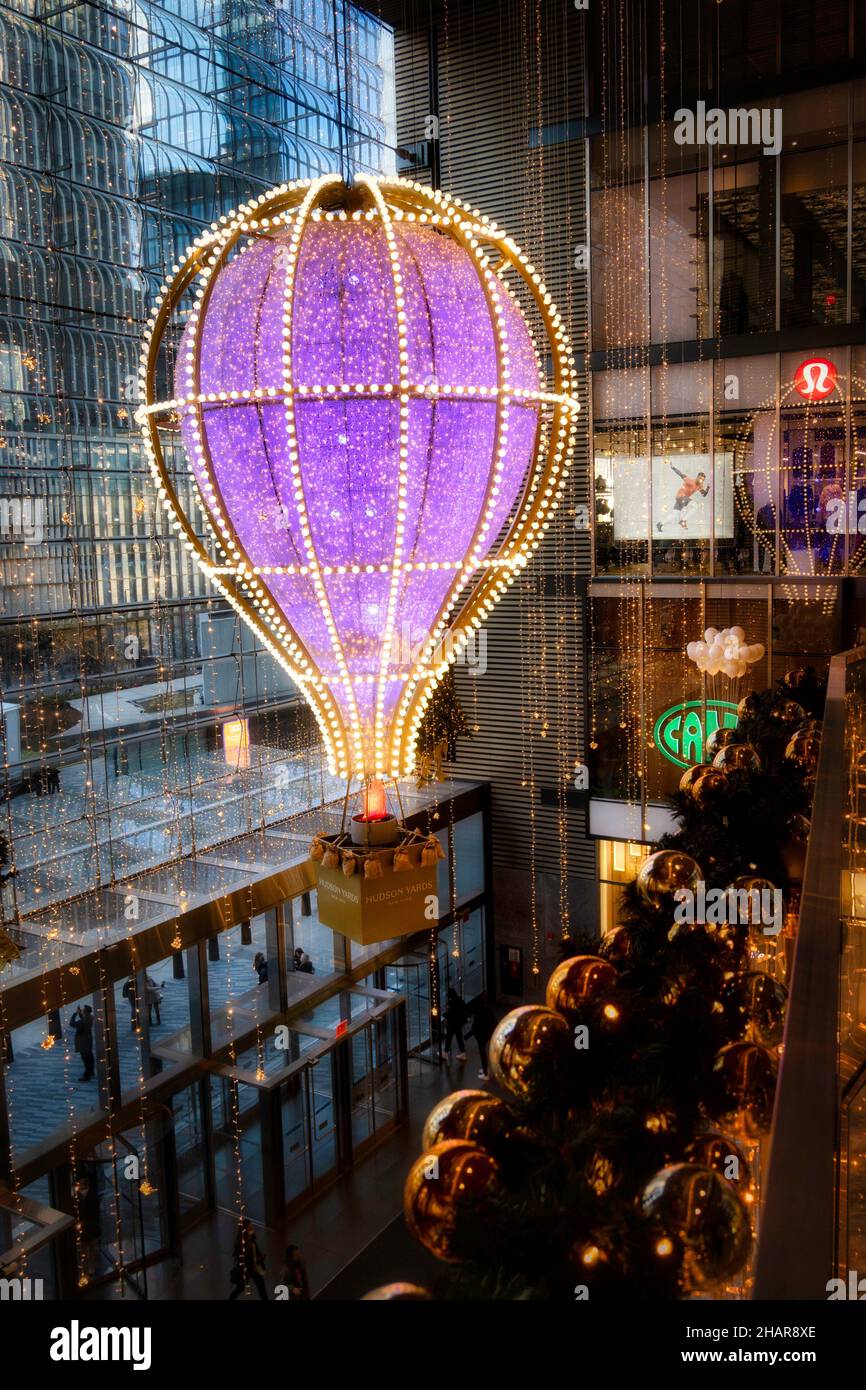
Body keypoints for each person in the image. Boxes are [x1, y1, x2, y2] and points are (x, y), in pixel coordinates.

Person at [656, 461, 709, 533]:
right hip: (681, 496)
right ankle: (683, 521)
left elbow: (704, 495)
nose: (701, 480)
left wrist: (708, 488)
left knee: (674, 514)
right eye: (700, 478)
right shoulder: (690, 481)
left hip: (681, 499)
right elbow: (680, 474)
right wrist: (673, 467)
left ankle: (660, 524)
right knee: (695, 505)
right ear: (697, 477)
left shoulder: (700, 485)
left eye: (702, 479)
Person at [228, 1218, 268, 1300]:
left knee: (261, 1288)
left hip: (255, 1268)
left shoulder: (252, 1239)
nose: (252, 1230)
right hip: (246, 1271)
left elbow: (256, 1252)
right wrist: (258, 1259)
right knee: (240, 1288)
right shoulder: (241, 1244)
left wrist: (259, 1258)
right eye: (249, 1228)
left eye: (252, 1228)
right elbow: (243, 1259)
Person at [466, 994, 496, 1081]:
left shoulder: (478, 1013)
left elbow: (474, 1028)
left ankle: (486, 1073)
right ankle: (485, 1069)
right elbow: (494, 1020)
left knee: (483, 1054)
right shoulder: (487, 1010)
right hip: (487, 1034)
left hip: (481, 1036)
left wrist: (466, 1036)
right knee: (484, 1053)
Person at [71, 1004, 95, 1082]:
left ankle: (86, 1075)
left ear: (85, 1012)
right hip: (88, 1039)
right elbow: (84, 1018)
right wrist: (80, 1013)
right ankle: (91, 1071)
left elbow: (72, 1024)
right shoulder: (90, 1018)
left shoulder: (82, 1022)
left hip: (82, 1041)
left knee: (85, 1059)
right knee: (90, 1056)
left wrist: (75, 1014)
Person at [443, 987, 467, 1061]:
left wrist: (445, 1015)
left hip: (453, 1023)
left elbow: (450, 1014)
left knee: (448, 1037)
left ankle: (445, 1053)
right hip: (459, 1022)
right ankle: (463, 1053)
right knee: (459, 1037)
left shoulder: (452, 1002)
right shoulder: (459, 1000)